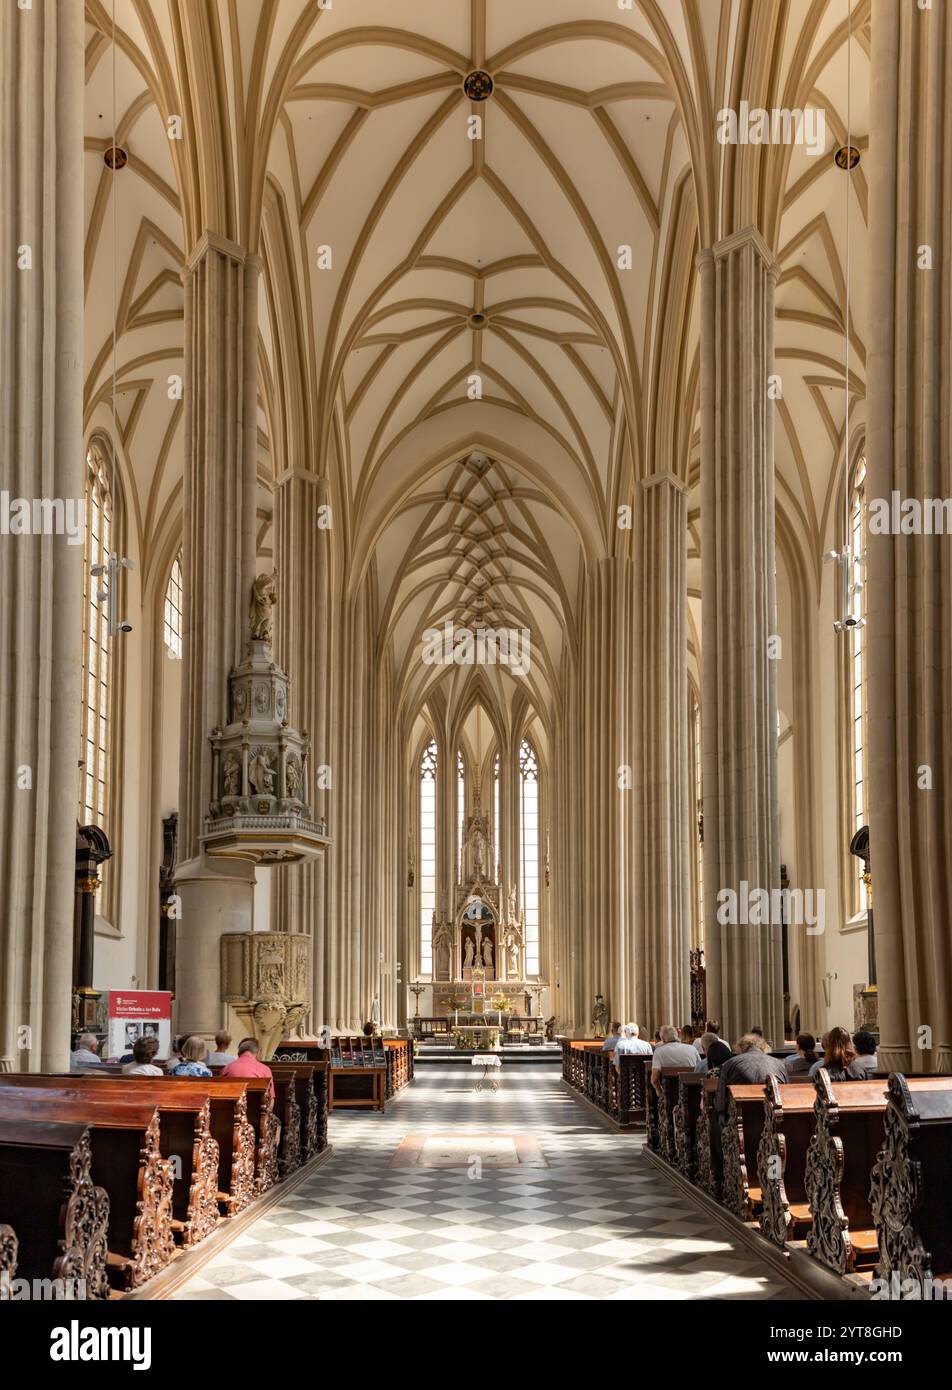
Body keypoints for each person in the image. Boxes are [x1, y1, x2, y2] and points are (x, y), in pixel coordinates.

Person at [715, 1034, 788, 1114]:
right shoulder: (779, 1064)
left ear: (740, 1047)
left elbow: (720, 1104)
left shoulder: (730, 1063)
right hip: (773, 1115)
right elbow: (787, 1096)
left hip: (742, 1118)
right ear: (764, 1047)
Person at [651, 1024, 702, 1092]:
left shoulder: (658, 1051)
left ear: (662, 1039)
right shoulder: (692, 1048)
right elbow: (701, 1069)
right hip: (693, 1092)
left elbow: (654, 1079)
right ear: (677, 1036)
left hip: (670, 1094)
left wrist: (660, 1093)